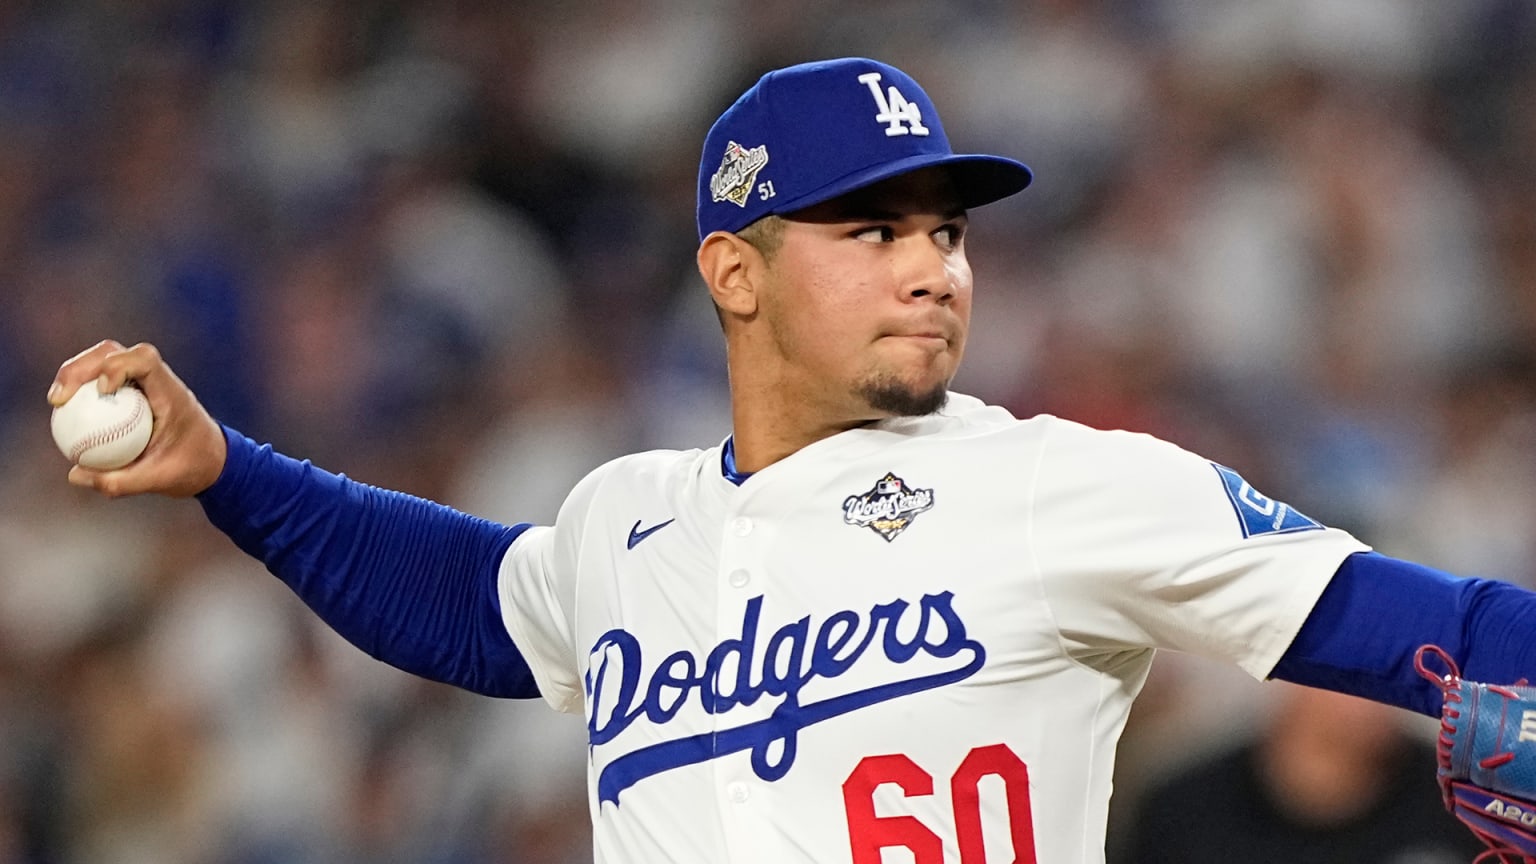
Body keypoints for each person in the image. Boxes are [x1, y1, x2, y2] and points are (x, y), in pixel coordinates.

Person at [44, 57, 1536, 864]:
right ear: (735, 273)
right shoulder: (628, 520)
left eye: (946, 230)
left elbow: (1460, 638)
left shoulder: (1061, 483)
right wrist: (229, 469)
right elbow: (479, 602)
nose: (935, 269)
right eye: (873, 230)